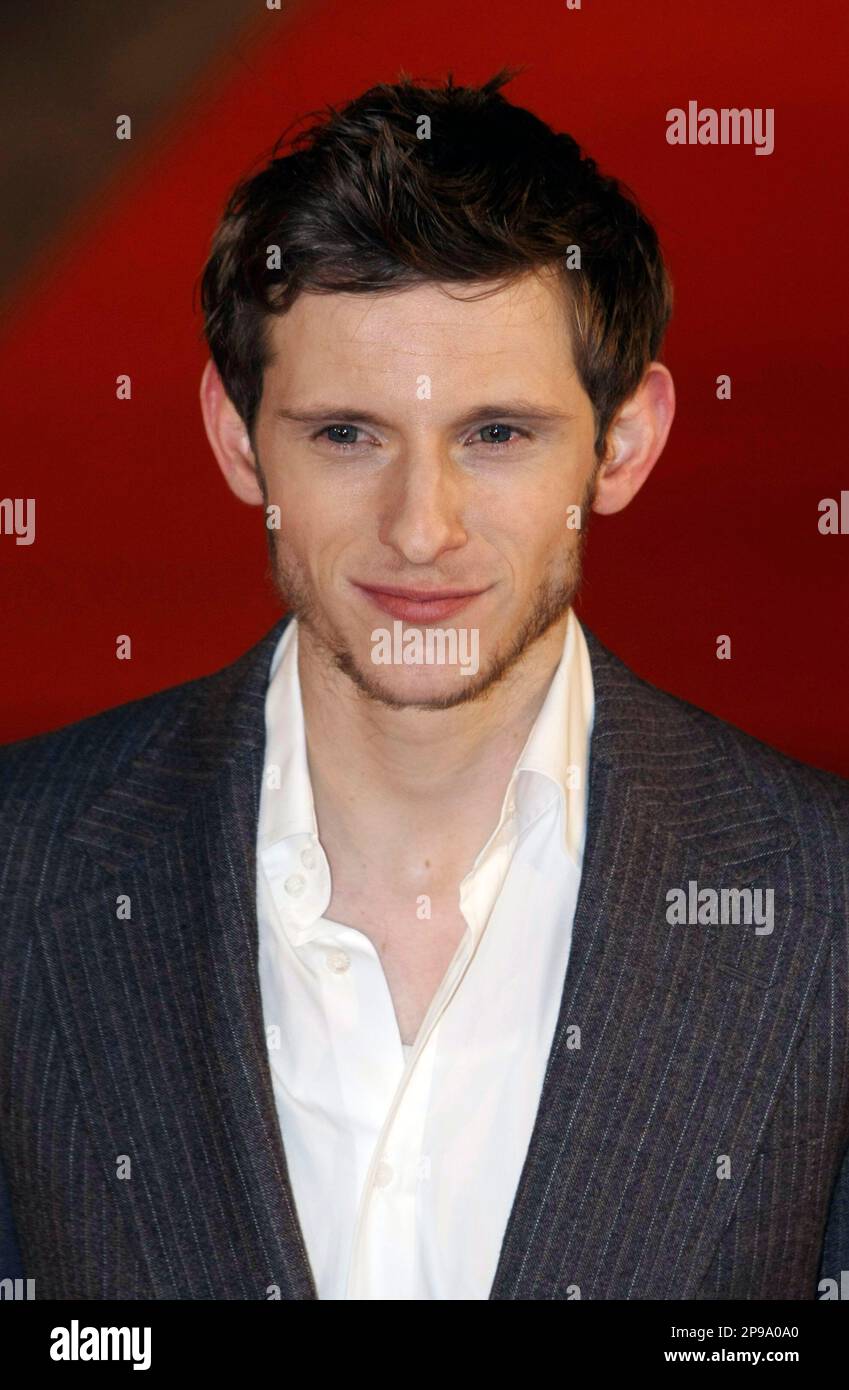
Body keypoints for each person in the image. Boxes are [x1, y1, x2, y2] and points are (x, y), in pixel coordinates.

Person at [1, 71, 847, 1302]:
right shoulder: (22, 867)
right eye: (347, 434)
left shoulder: (821, 903)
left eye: (496, 434)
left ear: (624, 442)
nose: (421, 528)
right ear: (240, 439)